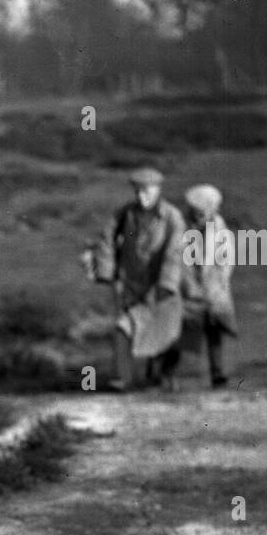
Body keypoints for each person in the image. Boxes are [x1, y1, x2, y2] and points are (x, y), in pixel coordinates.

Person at [91, 167, 186, 391]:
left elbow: (175, 251)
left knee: (166, 335)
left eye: (147, 191)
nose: (142, 196)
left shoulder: (172, 217)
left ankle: (162, 377)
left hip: (161, 289)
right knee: (123, 329)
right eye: (138, 191)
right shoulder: (125, 214)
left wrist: (167, 284)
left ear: (158, 190)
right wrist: (106, 272)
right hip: (132, 287)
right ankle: (122, 380)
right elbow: (106, 239)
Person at [179, 184, 238, 389]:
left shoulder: (220, 229)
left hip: (213, 288)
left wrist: (218, 283)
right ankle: (172, 374)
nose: (198, 214)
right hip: (189, 287)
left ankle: (217, 373)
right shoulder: (184, 227)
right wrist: (187, 283)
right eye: (196, 210)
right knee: (182, 330)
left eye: (203, 210)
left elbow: (227, 260)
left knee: (215, 330)